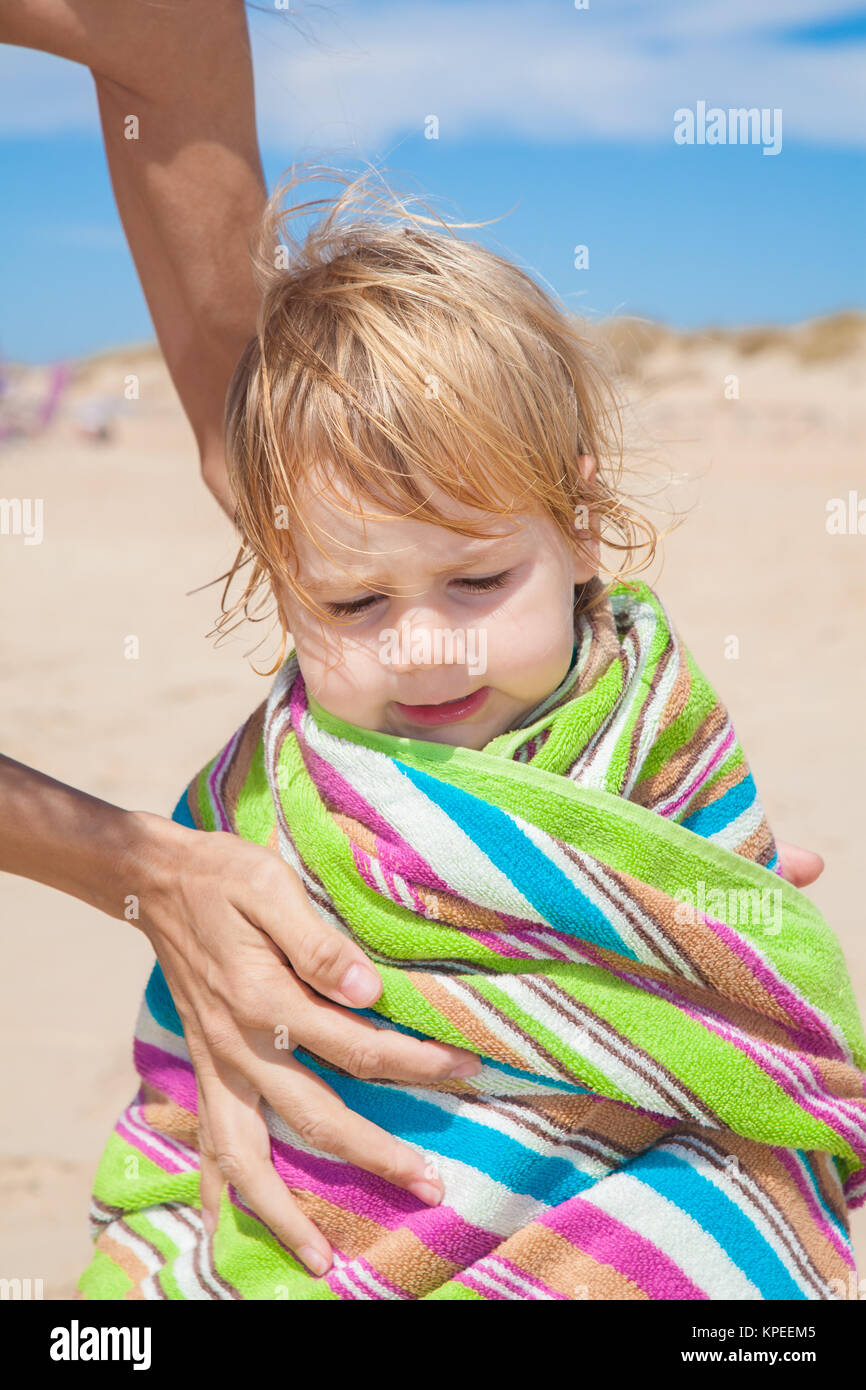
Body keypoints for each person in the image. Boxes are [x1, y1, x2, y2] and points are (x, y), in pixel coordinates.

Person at [75, 168, 866, 1299]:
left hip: (610, 1187)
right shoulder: (274, 783)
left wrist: (697, 932)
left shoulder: (645, 718)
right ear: (278, 585)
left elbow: (740, 979)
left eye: (477, 580)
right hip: (357, 1194)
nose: (422, 647)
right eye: (353, 605)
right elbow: (203, 1009)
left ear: (582, 529)